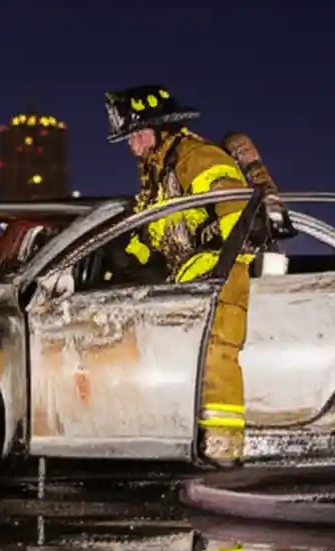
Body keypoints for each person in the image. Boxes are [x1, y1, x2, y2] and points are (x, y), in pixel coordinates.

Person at [104, 84, 253, 466]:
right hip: (188, 282)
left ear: (155, 130)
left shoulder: (196, 158)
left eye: (134, 135)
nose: (131, 146)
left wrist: (222, 271)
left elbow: (237, 214)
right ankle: (195, 445)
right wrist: (118, 260)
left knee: (216, 358)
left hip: (219, 276)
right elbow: (154, 234)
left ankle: (223, 454)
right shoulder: (157, 174)